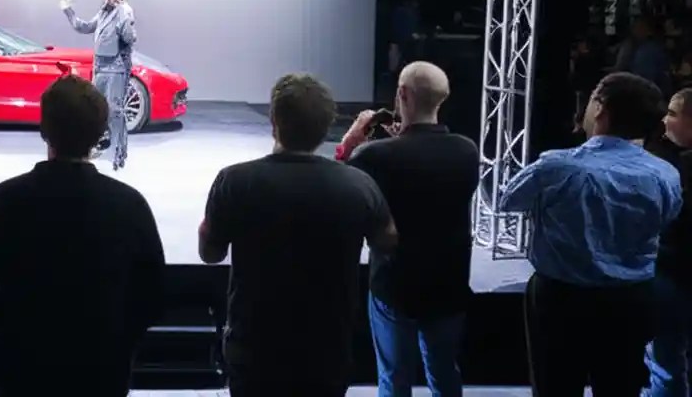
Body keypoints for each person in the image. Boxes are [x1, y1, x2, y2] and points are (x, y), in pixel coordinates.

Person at [0, 75, 164, 397]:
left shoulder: (4, 200)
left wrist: (9, 333)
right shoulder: (130, 205)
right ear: (99, 135)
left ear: (43, 130)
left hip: (19, 369)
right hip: (101, 371)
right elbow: (151, 297)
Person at [199, 73, 397, 397]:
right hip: (326, 352)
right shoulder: (358, 186)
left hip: (254, 350)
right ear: (326, 125)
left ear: (274, 119)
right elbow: (387, 242)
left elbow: (211, 254)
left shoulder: (234, 182)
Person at [501, 72, 681, 396]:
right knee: (620, 386)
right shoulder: (666, 174)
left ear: (600, 108)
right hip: (630, 298)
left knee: (555, 386)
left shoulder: (556, 167)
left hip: (560, 299)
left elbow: (509, 201)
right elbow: (668, 218)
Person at [341, 62, 480, 397]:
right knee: (445, 371)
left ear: (402, 94)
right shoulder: (467, 150)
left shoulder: (374, 156)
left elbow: (339, 188)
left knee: (394, 377)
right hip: (448, 282)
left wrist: (353, 140)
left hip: (395, 284)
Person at [58, 0, 137, 170]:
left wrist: (121, 15)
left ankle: (120, 153)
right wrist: (67, 8)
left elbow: (129, 37)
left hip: (116, 67)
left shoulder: (124, 11)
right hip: (100, 67)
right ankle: (96, 145)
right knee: (96, 108)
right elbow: (82, 27)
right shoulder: (103, 12)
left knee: (115, 111)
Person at [645, 88, 692, 397]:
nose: (665, 120)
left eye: (673, 114)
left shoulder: (679, 169)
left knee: (666, 363)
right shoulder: (672, 161)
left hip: (675, 273)